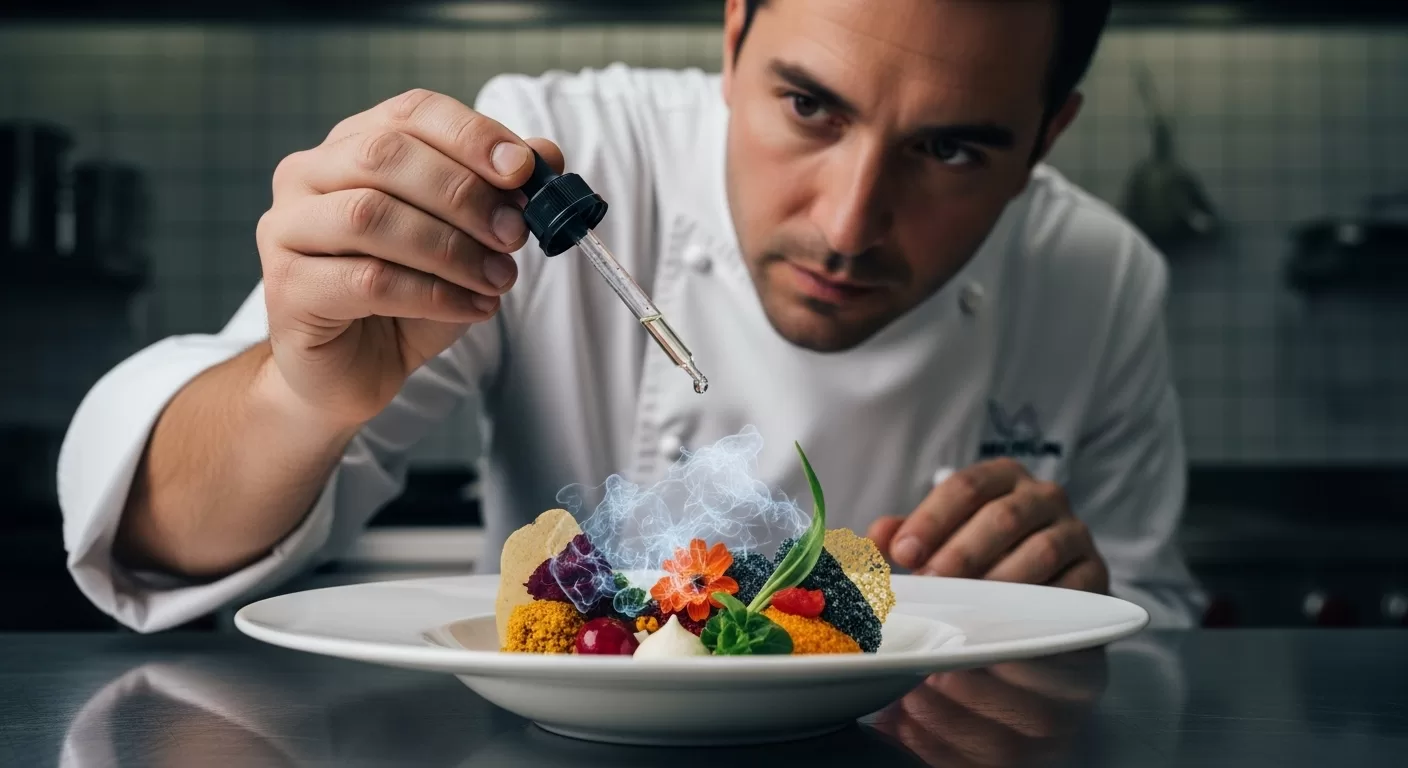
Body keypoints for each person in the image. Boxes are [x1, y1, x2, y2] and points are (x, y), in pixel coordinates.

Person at [57, 0, 1205, 633]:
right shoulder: (555, 162)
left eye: (952, 148)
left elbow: (1154, 629)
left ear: (1048, 136)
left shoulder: (1098, 276)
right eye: (807, 106)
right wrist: (296, 396)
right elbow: (159, 538)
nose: (850, 225)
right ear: (732, 33)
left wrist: (1077, 620)